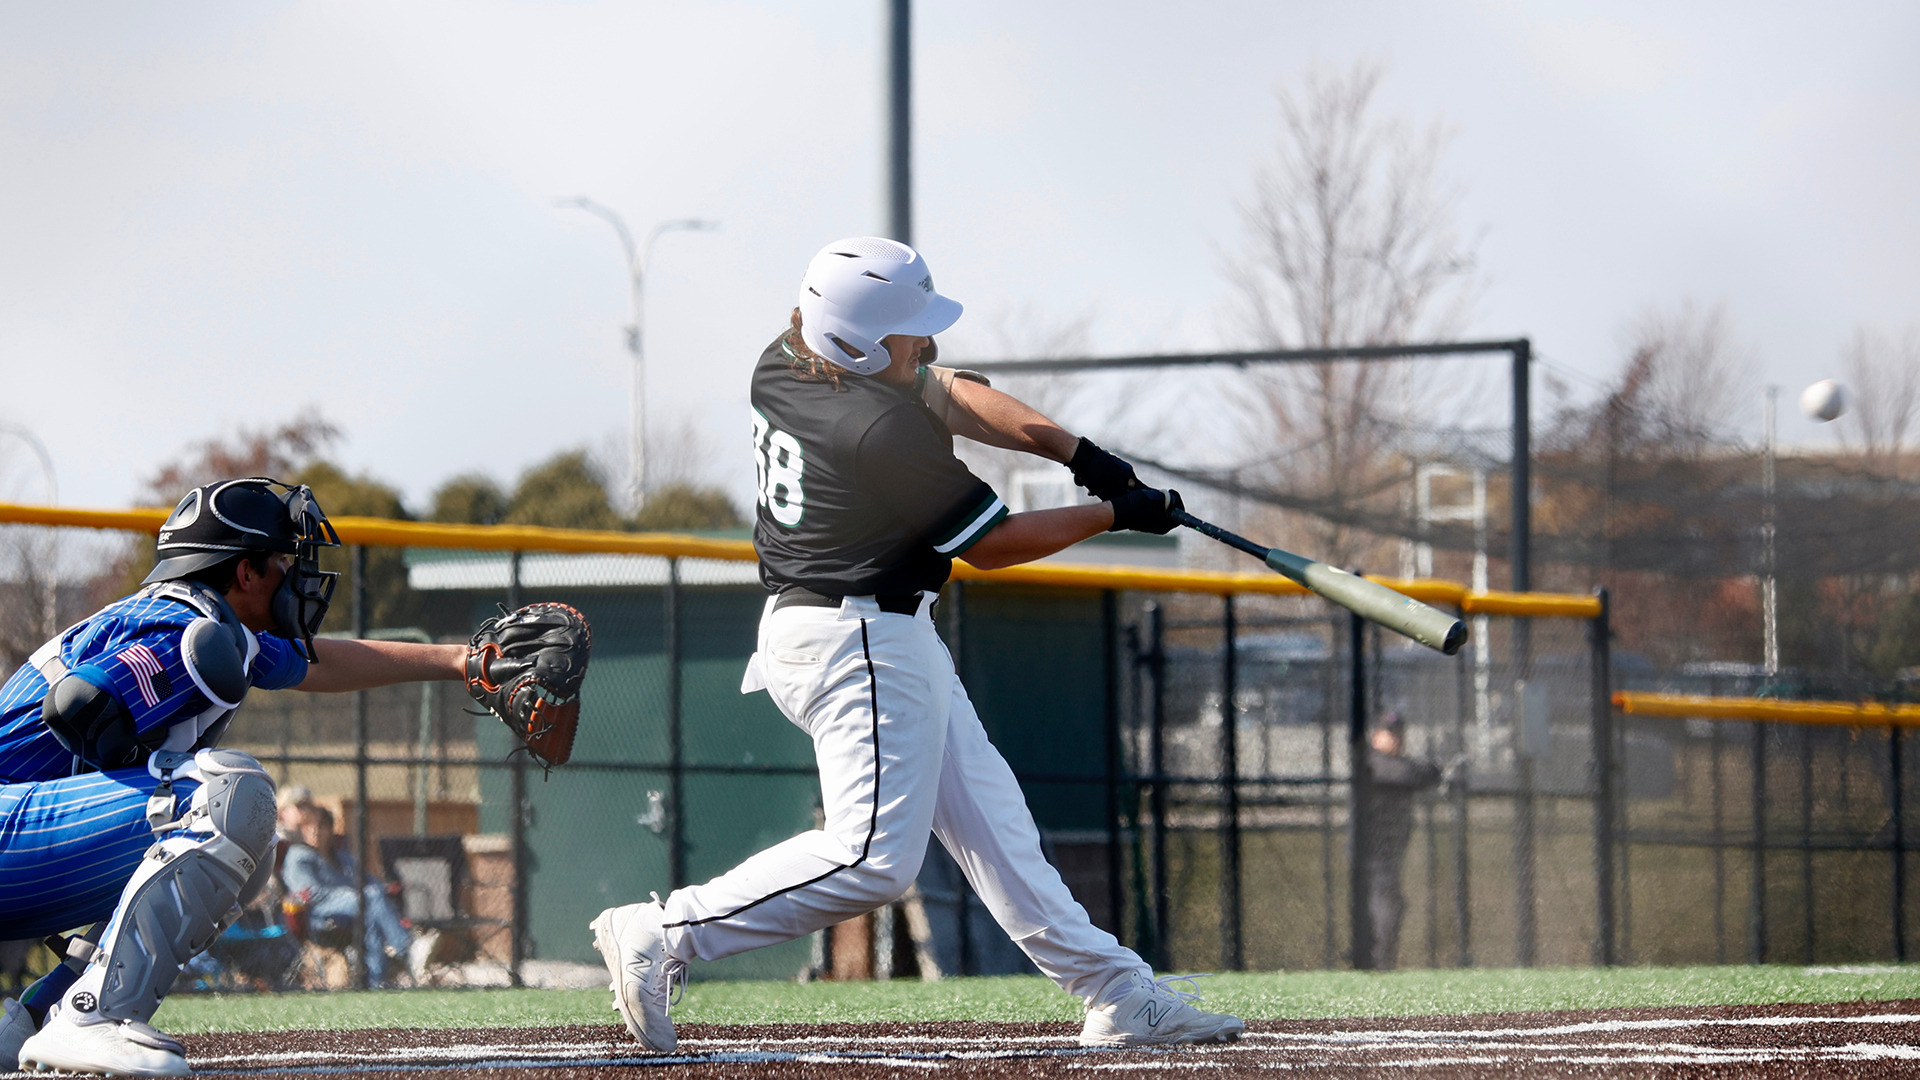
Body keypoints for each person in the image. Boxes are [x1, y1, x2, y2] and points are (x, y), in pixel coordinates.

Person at [591, 237, 1244, 1052]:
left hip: (867, 629)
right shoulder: (873, 431)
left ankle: (1115, 990)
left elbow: (953, 392)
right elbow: (995, 543)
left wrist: (1084, 458)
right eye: (909, 332)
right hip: (855, 640)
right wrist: (1115, 513)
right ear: (857, 343)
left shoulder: (787, 356)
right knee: (872, 859)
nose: (927, 345)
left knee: (997, 827)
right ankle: (668, 932)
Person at [0, 477, 479, 1077]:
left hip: (18, 835)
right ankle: (94, 1016)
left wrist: (466, 661)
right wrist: (129, 756)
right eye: (281, 560)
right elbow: (77, 702)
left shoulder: (212, 626)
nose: (293, 575)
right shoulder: (186, 629)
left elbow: (317, 659)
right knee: (223, 798)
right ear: (245, 573)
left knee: (232, 848)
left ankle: (37, 1020)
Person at [280, 806, 421, 988]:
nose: (315, 831)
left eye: (321, 826)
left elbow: (371, 883)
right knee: (367, 899)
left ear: (330, 830)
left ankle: (376, 982)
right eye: (309, 827)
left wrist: (383, 889)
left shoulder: (344, 858)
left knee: (370, 914)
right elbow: (308, 893)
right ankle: (408, 949)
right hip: (319, 915)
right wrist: (352, 895)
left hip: (356, 912)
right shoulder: (299, 857)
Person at [1357, 712, 1443, 971]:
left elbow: (1425, 773)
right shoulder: (1372, 763)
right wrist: (1428, 770)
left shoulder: (1398, 763)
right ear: (1376, 736)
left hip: (1389, 852)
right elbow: (1409, 774)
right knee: (1386, 903)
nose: (1396, 739)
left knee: (1387, 903)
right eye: (1390, 733)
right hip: (1370, 852)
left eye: (1399, 733)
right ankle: (1379, 965)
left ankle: (1377, 962)